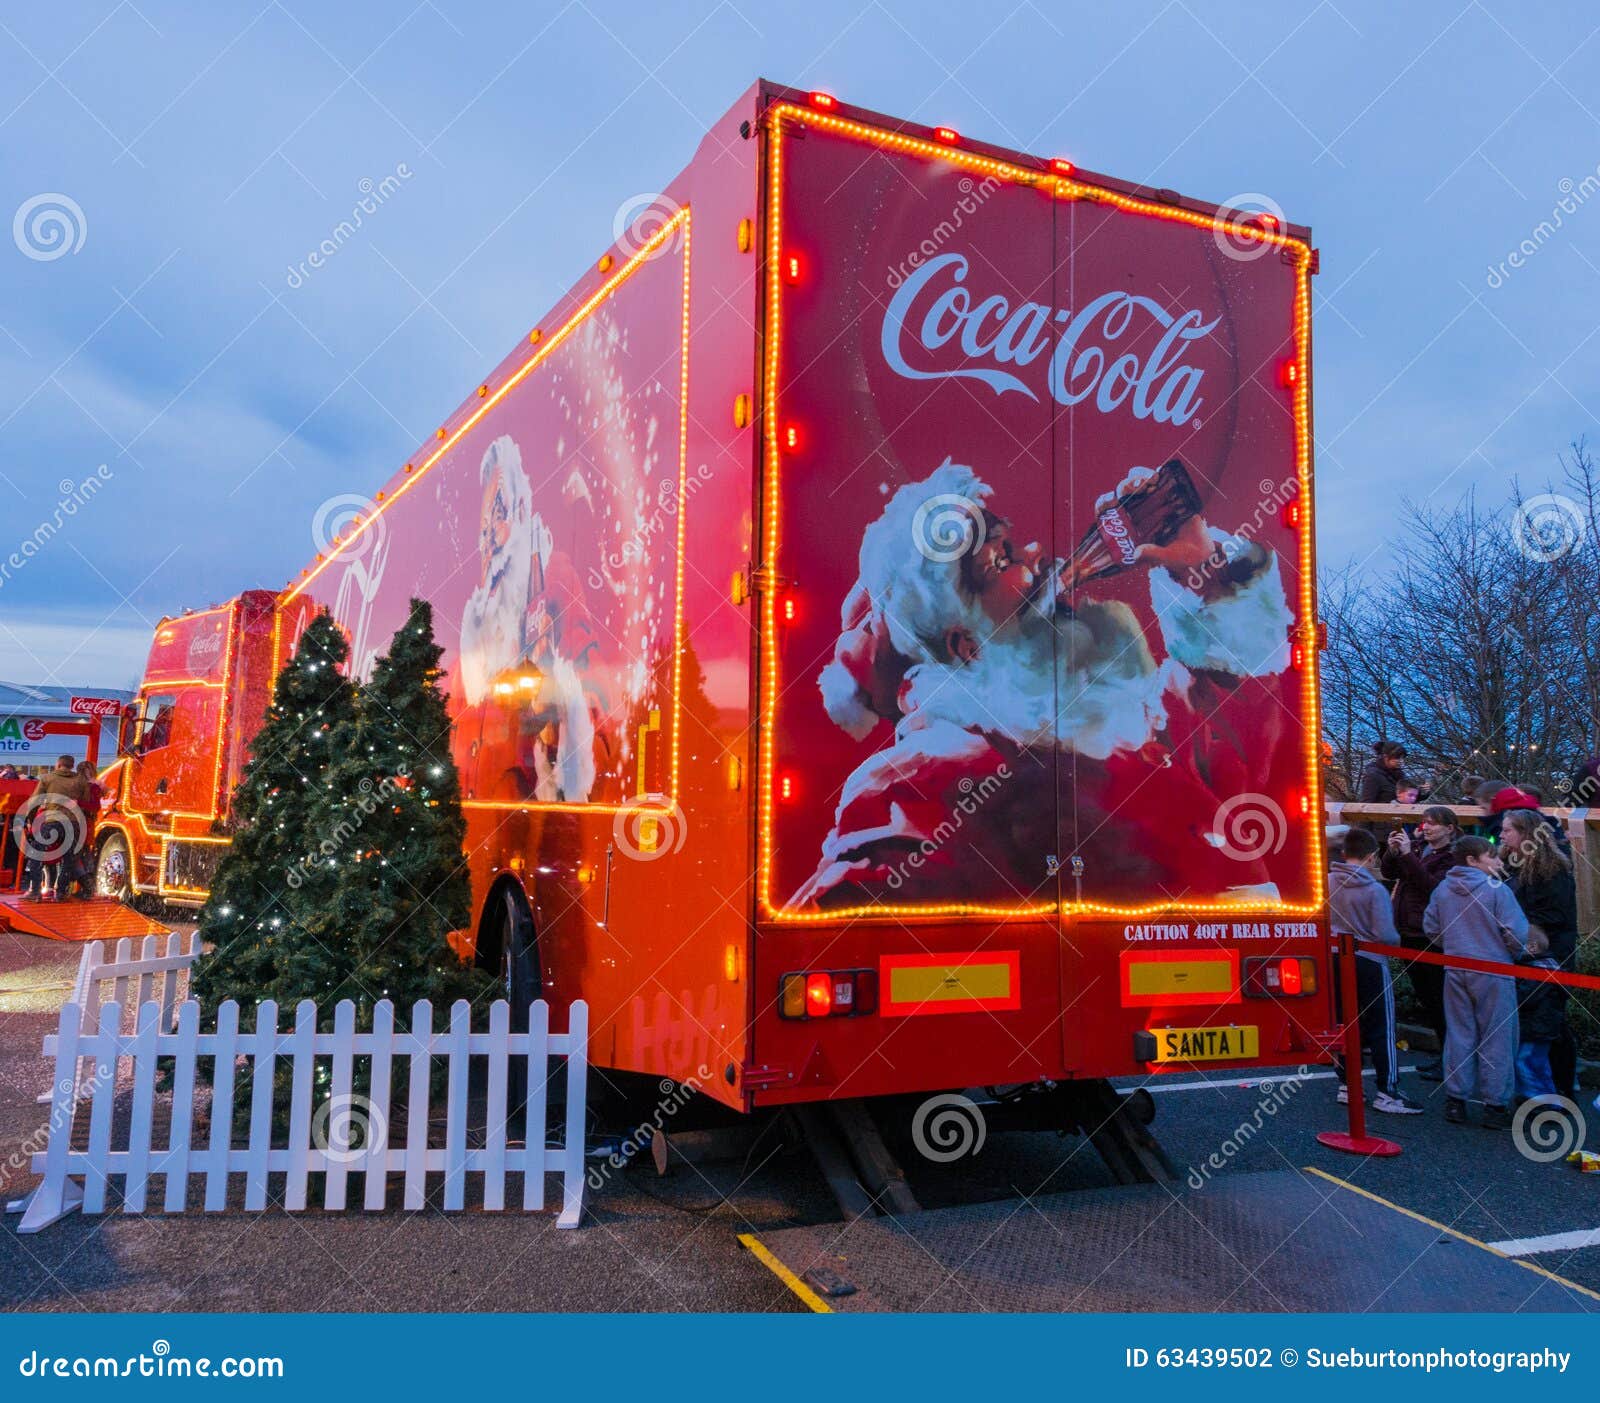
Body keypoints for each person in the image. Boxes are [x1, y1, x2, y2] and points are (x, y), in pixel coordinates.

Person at [1423, 836, 1529, 1129]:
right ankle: (1495, 1105)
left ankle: (1456, 1100)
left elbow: (1431, 927)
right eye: (1491, 856)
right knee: (1497, 1037)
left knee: (1459, 1033)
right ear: (1472, 860)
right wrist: (1511, 951)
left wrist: (1453, 946)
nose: (1498, 862)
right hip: (1494, 969)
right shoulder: (1496, 889)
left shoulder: (1444, 889)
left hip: (1456, 967)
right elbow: (1515, 932)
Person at [1328, 828, 1423, 1114]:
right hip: (1369, 958)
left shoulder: (1327, 882)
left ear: (1344, 853)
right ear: (1371, 857)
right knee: (1382, 1025)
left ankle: (1347, 1084)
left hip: (1334, 956)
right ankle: (1387, 1090)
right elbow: (1385, 934)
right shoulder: (1373, 890)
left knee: (1344, 1023)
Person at [1500, 808, 1579, 1098]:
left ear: (1525, 833)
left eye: (1508, 830)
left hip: (1549, 954)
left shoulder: (1551, 870)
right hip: (1525, 952)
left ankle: (1559, 1089)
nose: (1501, 835)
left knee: (1549, 1023)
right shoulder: (1511, 864)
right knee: (1540, 1024)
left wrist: (1516, 925)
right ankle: (1547, 1087)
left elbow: (1553, 917)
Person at [1381, 805, 1460, 1079]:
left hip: (1429, 935)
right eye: (1425, 822)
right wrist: (1392, 852)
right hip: (1407, 930)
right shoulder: (1414, 848)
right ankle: (1444, 1054)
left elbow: (1432, 886)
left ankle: (1451, 1060)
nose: (1427, 828)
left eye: (1434, 824)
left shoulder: (1451, 858)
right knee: (1427, 998)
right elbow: (1390, 873)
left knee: (1440, 1000)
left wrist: (1406, 856)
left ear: (1449, 828)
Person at [1514, 926, 1566, 1104]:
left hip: (1535, 1028)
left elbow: (1525, 998)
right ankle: (1547, 1099)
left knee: (1524, 1061)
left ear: (1532, 947)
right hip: (1542, 1027)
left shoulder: (1538, 971)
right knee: (1539, 1065)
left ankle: (1537, 1100)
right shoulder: (1549, 965)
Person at [29, 755, 90, 901]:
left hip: (52, 821)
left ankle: (35, 892)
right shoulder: (81, 780)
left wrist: (31, 820)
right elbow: (86, 802)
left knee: (36, 855)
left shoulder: (47, 778)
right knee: (68, 859)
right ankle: (60, 893)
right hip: (74, 823)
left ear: (58, 764)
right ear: (72, 765)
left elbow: (34, 801)